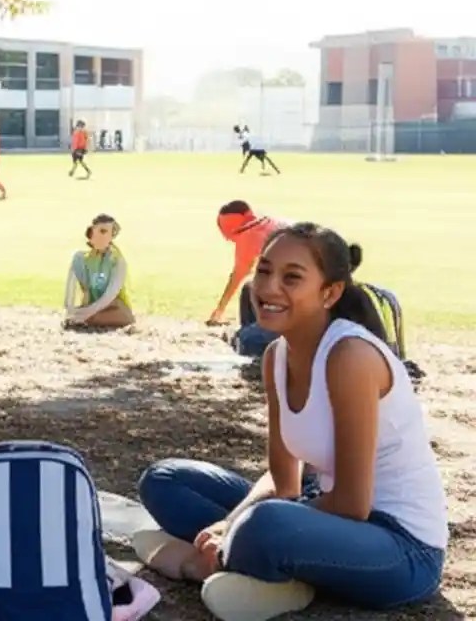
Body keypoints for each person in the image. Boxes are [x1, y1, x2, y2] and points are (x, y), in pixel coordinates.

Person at [133, 223, 447, 620]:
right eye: (263, 271)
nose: (268, 288)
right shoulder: (276, 358)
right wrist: (228, 522)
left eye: (292, 278)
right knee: (164, 480)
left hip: (401, 549)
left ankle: (200, 565)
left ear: (330, 292)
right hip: (322, 513)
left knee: (267, 524)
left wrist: (239, 527)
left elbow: (352, 504)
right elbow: (284, 483)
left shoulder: (350, 356)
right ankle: (275, 569)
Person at [207, 200, 286, 327]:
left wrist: (219, 310)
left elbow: (237, 276)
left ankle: (253, 334)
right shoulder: (266, 222)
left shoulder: (250, 236)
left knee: (250, 289)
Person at [63, 214, 134, 328]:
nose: (105, 237)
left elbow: (110, 295)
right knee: (81, 315)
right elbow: (70, 294)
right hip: (91, 305)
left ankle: (88, 320)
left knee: (119, 315)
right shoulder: (80, 259)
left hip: (113, 307)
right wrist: (71, 311)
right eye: (101, 231)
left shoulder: (117, 261)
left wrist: (84, 314)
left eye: (110, 233)